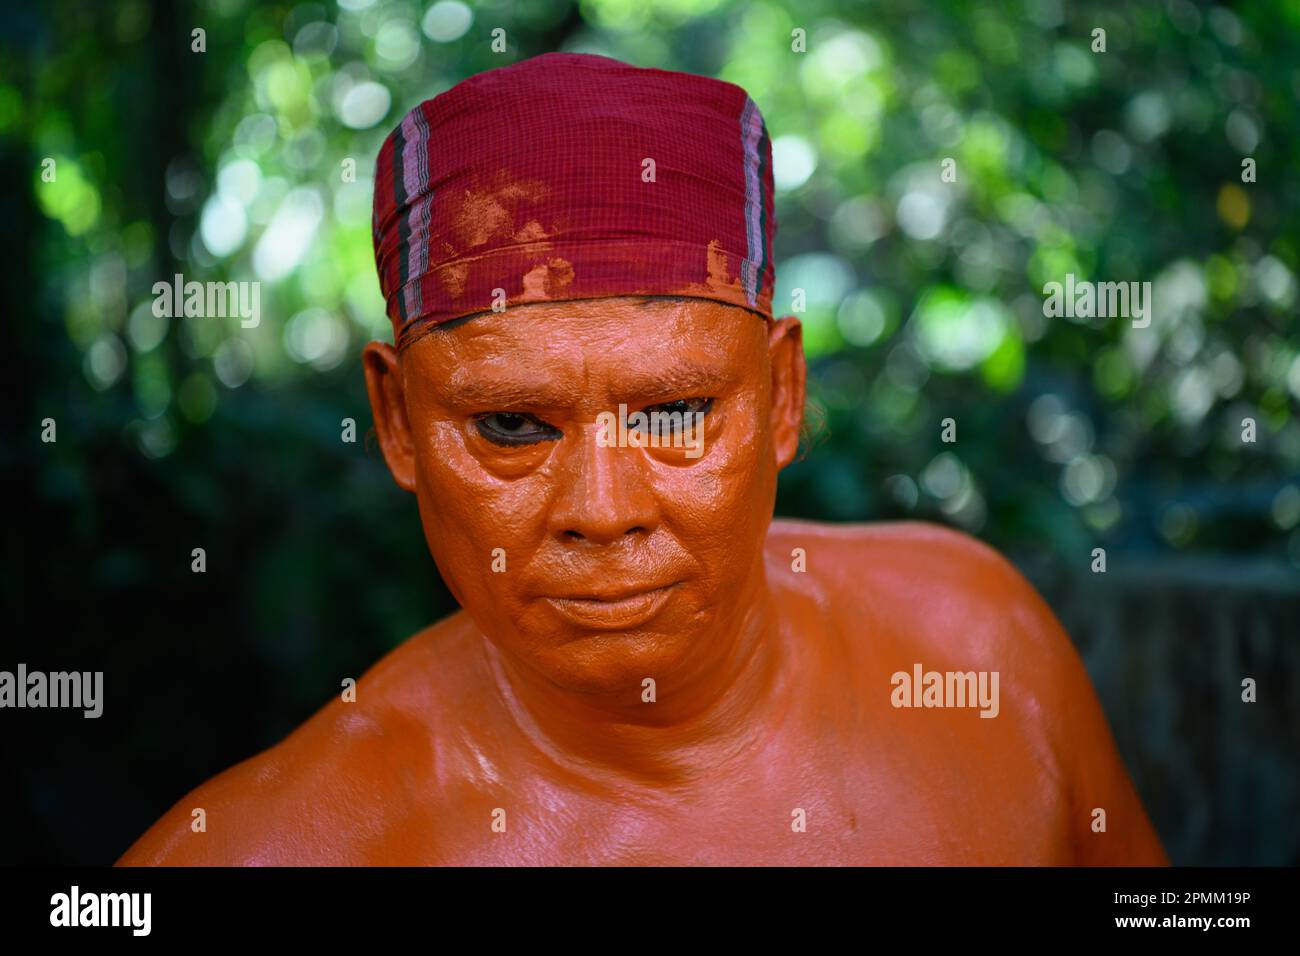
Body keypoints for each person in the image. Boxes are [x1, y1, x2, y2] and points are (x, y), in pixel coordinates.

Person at [119, 53, 1166, 866]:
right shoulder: (274, 846)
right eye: (513, 428)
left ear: (784, 394)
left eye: (673, 413)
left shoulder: (980, 645)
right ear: (395, 420)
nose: (603, 508)